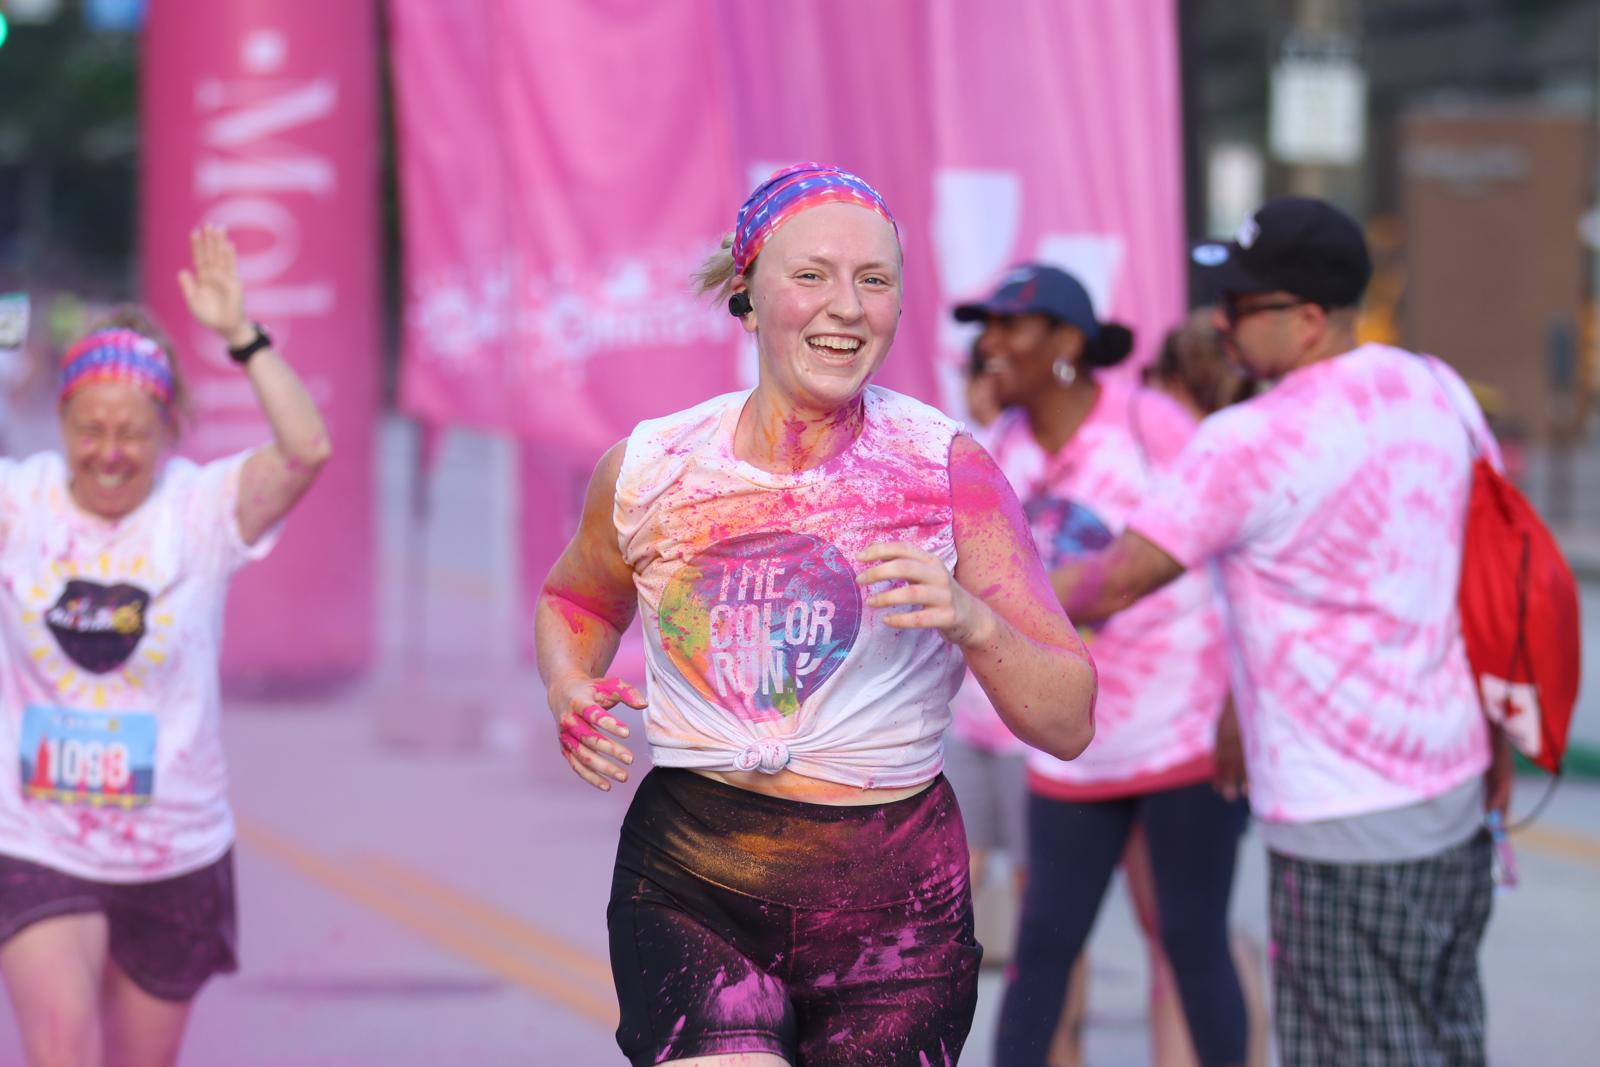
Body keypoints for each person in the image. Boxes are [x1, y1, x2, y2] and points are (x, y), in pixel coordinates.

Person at [535, 163, 1097, 1067]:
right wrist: (568, 684)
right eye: (812, 275)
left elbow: (1068, 720)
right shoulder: (651, 466)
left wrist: (971, 619)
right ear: (749, 297)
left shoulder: (949, 472)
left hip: (896, 902)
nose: (846, 306)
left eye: (873, 281)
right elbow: (574, 599)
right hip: (697, 876)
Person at [1053, 196, 1510, 1067]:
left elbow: (1112, 580)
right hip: (1453, 788)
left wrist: (974, 589)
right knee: (1448, 1039)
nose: (1218, 322)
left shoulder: (1250, 439)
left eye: (1241, 304)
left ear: (1306, 320)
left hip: (1341, 822)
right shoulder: (1432, 384)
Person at [0, 225, 330, 1067]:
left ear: (168, 430)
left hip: (174, 840)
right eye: (90, 429)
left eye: (133, 433)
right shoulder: (22, 504)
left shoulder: (199, 510)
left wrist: (241, 336)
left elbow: (306, 449)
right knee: (62, 1048)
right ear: (61, 420)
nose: (110, 453)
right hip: (38, 835)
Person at [954, 267, 1247, 1067]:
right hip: (1070, 748)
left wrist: (1237, 704)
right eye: (987, 325)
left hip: (1178, 731)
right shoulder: (996, 448)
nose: (991, 344)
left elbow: (1231, 555)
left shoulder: (1153, 425)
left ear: (1068, 343)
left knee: (1190, 943)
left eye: (1012, 325)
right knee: (1043, 952)